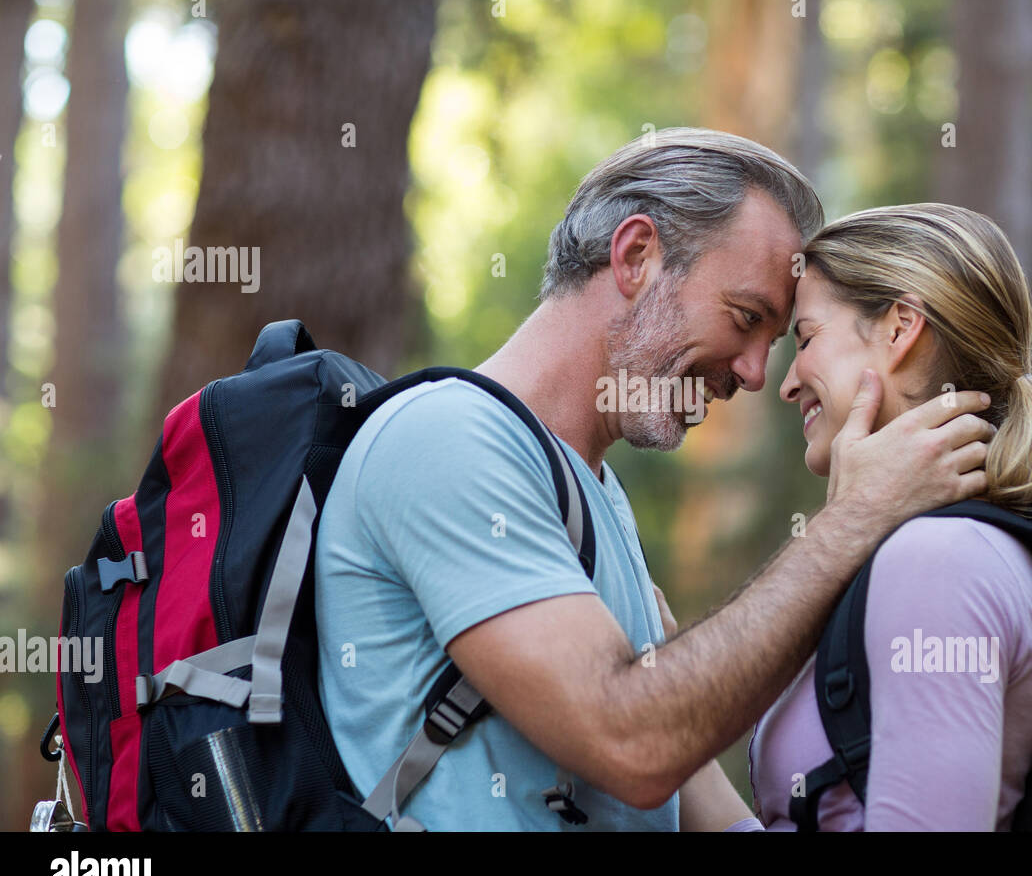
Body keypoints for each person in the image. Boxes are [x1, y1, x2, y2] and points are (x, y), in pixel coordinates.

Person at [314, 132, 995, 830]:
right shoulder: (451, 439)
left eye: (781, 338)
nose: (758, 373)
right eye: (747, 318)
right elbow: (631, 742)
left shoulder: (595, 496)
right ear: (637, 256)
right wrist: (853, 521)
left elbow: (670, 778)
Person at [712, 203, 1032, 831]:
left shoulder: (937, 565)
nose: (784, 384)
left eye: (805, 338)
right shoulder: (926, 556)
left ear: (899, 330)